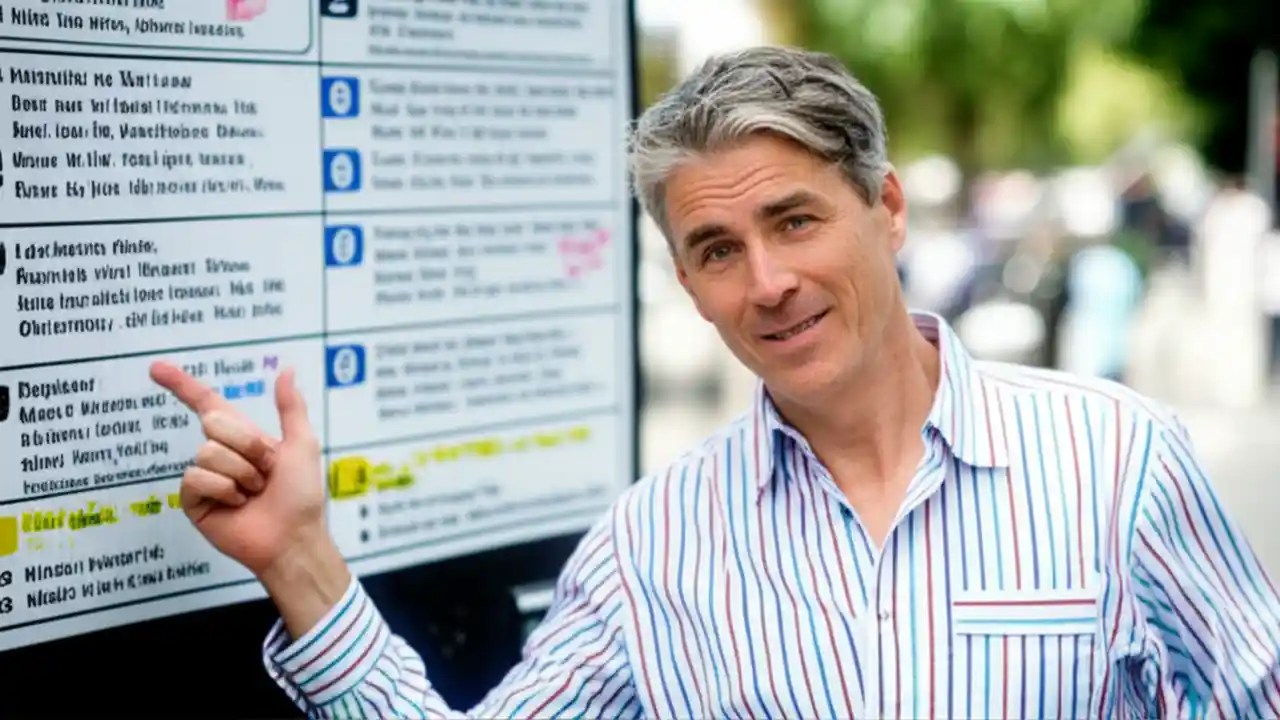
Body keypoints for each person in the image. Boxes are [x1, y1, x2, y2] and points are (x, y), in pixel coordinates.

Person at [150, 46, 1280, 719]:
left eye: (793, 220)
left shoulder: (1116, 458)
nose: (768, 281)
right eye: (716, 248)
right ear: (686, 282)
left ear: (884, 210)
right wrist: (299, 561)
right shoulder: (653, 546)